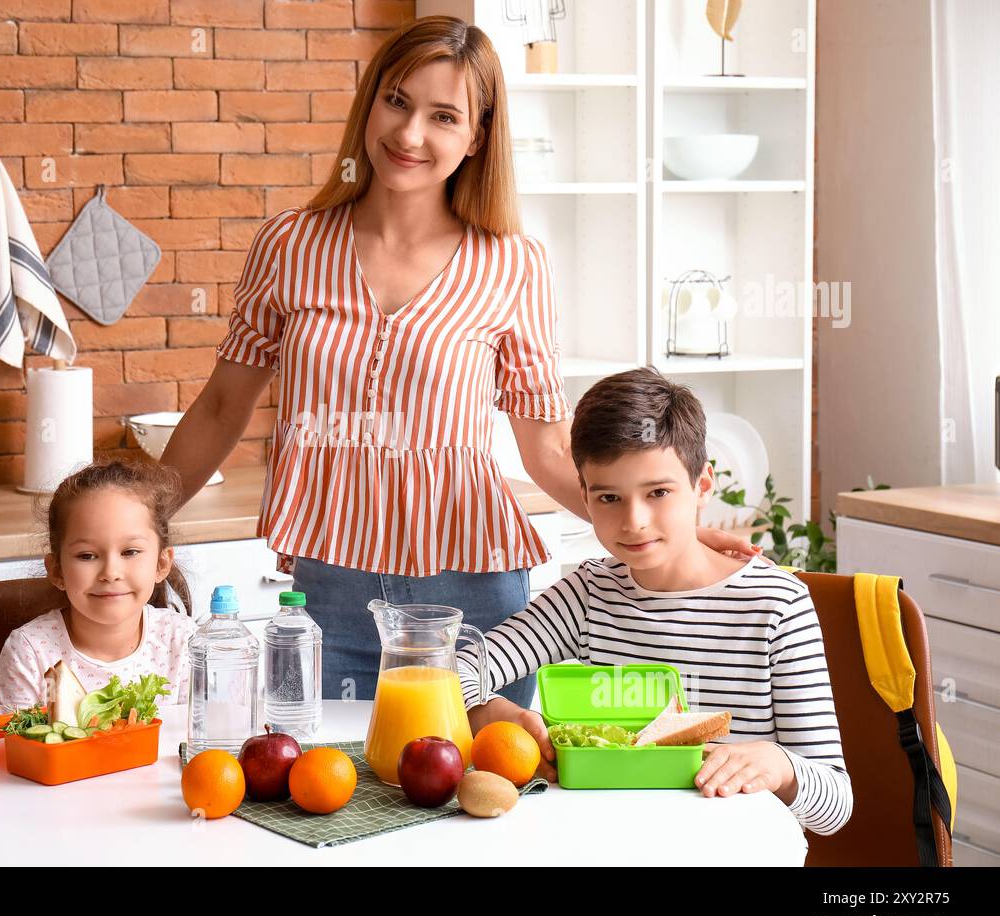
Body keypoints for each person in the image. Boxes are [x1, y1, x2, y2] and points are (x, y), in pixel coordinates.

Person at [159, 15, 759, 707]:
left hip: (473, 598)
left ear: (476, 136)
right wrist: (142, 520)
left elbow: (547, 450)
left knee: (482, 795)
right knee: (332, 799)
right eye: (396, 101)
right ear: (370, 102)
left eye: (443, 116)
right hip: (324, 591)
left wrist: (659, 526)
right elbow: (220, 407)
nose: (410, 134)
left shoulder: (513, 263)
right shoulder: (290, 244)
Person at [458, 367, 853, 835]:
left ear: (702, 486)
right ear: (584, 496)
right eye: (609, 497)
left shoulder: (777, 606)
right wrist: (490, 710)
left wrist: (782, 767)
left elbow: (835, 806)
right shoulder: (589, 594)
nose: (635, 521)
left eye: (659, 492)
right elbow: (446, 674)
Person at [0, 458, 197, 716]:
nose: (110, 573)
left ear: (161, 564)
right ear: (57, 570)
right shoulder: (31, 651)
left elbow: (208, 741)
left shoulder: (183, 641)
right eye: (87, 556)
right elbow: (5, 747)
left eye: (130, 551)